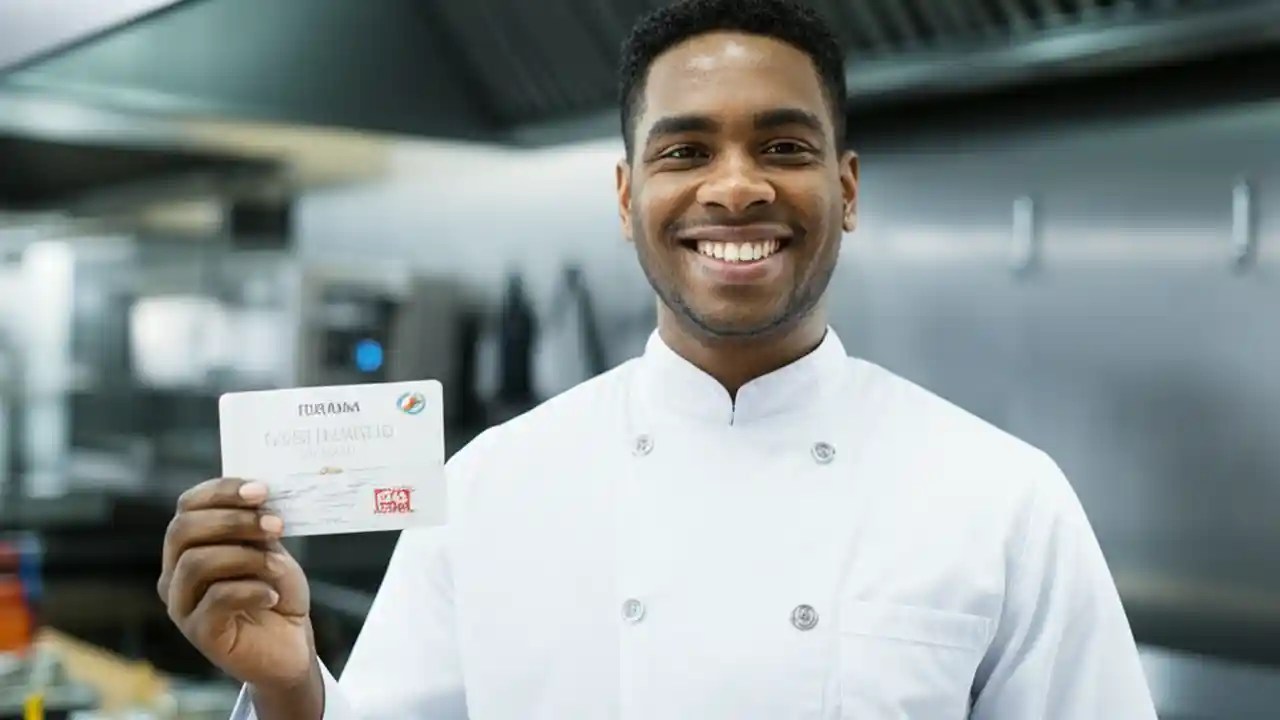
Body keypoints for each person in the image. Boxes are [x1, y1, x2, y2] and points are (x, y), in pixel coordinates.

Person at [157, 0, 1159, 717]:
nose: (734, 189)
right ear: (627, 197)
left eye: (783, 147)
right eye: (684, 151)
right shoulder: (491, 486)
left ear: (844, 189)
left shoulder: (1001, 497)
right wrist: (290, 691)